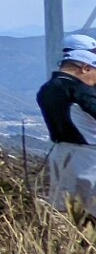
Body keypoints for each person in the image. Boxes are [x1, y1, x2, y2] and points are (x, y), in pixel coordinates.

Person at [38, 49, 96, 210]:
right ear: (85, 68)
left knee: (67, 211)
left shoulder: (46, 89)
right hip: (88, 159)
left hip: (60, 155)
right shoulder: (78, 90)